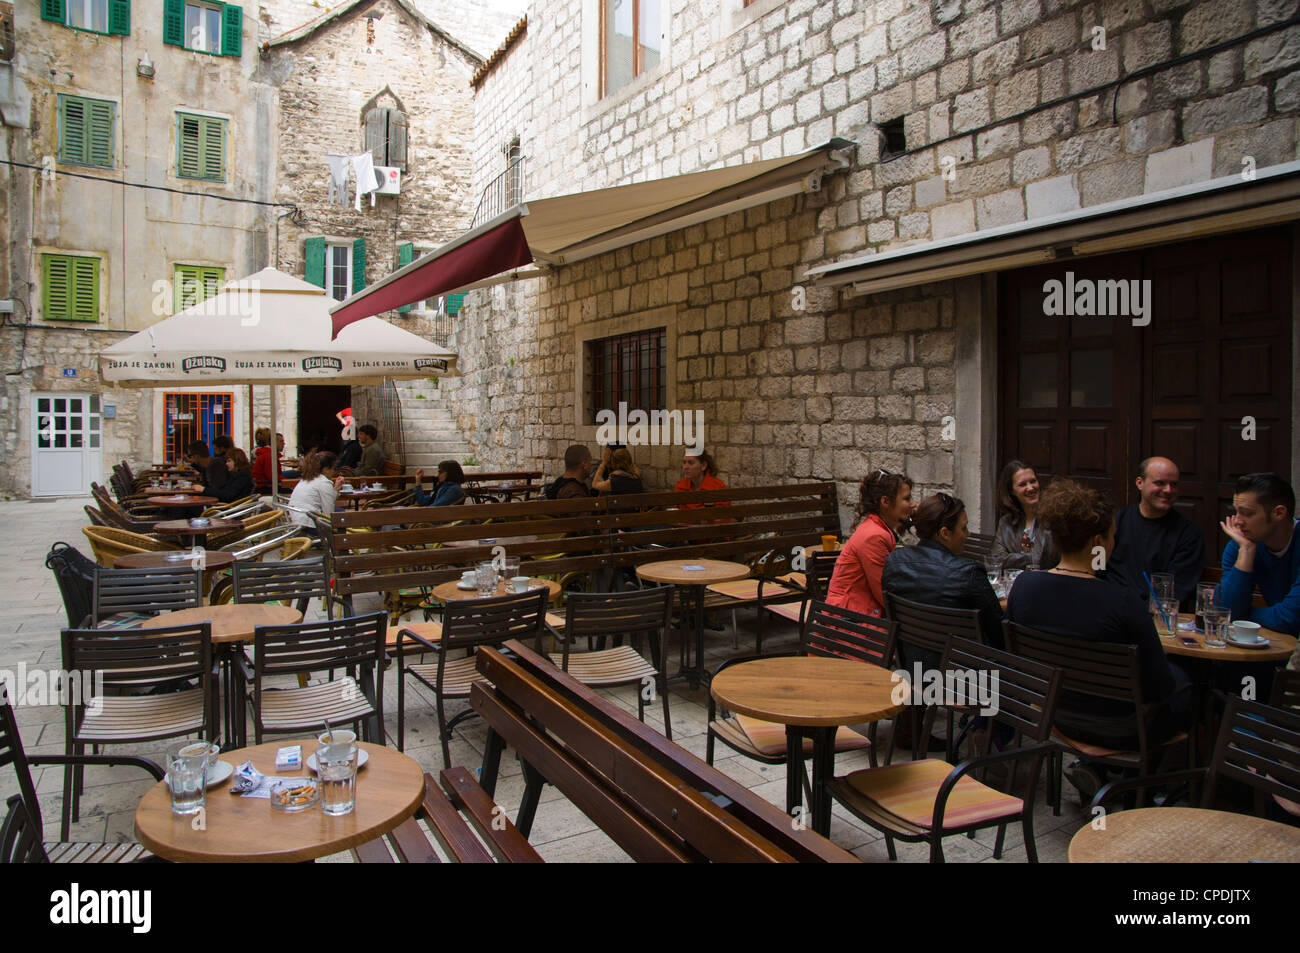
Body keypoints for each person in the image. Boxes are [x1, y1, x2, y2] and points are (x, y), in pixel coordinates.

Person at [1007, 479, 1191, 761]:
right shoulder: (1123, 601)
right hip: (1123, 729)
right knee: (1187, 687)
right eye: (1112, 536)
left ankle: (1098, 773)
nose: (1114, 543)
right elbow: (1159, 686)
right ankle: (1160, 785)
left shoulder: (1023, 586)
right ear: (1097, 543)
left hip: (1053, 714)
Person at [882, 493, 1004, 648]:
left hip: (913, 665)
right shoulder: (968, 573)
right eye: (964, 528)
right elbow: (999, 633)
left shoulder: (894, 562)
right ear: (945, 533)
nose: (968, 534)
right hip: (965, 668)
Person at [1104, 457, 1204, 610]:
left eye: (1174, 484)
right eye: (1160, 483)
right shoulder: (1115, 522)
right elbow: (1096, 568)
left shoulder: (1189, 535)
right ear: (1139, 483)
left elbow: (1176, 592)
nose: (1168, 490)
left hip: (1154, 619)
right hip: (1110, 609)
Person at [826, 468, 915, 618]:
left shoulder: (878, 529)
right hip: (849, 621)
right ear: (885, 502)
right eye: (907, 499)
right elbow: (884, 593)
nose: (913, 504)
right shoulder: (875, 536)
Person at [1218, 473, 1300, 635]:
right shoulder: (1241, 545)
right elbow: (1226, 613)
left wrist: (1242, 615)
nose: (1237, 522)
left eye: (1247, 513)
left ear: (1278, 513)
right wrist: (1247, 551)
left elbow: (1289, 619)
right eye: (1237, 512)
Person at [990, 460, 1060, 570]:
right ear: (1011, 490)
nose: (1031, 488)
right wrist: (1029, 556)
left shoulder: (1053, 517)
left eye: (1033, 481)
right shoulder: (1006, 522)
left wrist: (1019, 558)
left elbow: (1051, 559)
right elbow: (997, 559)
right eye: (1023, 484)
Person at [286, 451, 344, 532]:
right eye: (334, 468)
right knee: (341, 516)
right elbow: (329, 512)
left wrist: (335, 490)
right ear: (326, 469)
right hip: (309, 525)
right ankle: (339, 542)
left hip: (297, 522)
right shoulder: (324, 482)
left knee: (339, 511)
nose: (335, 472)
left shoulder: (307, 478)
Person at [251, 427, 281, 493]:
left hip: (259, 485)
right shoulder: (268, 455)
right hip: (265, 486)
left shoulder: (258, 452)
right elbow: (271, 476)